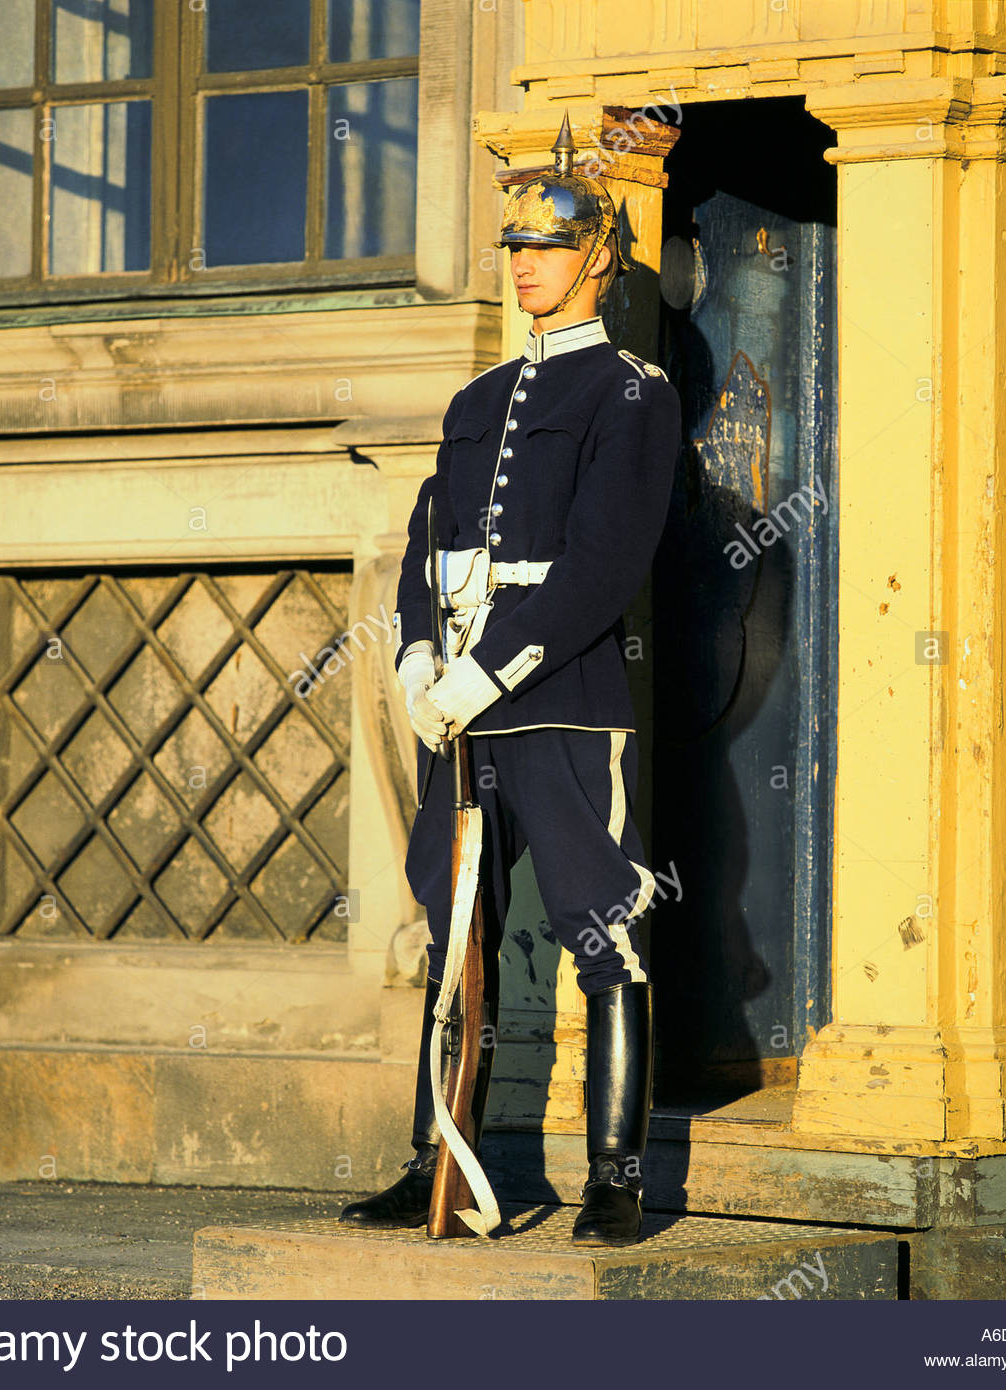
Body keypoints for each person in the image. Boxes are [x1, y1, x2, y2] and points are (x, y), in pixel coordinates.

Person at [340, 115, 681, 1247]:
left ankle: (617, 1179)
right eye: (514, 248)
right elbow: (427, 540)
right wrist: (414, 654)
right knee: (455, 938)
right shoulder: (477, 399)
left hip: (563, 702)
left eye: (547, 247)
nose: (525, 264)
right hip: (459, 714)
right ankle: (434, 1161)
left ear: (599, 259)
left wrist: (485, 672)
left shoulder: (629, 393)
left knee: (606, 931)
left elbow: (601, 565)